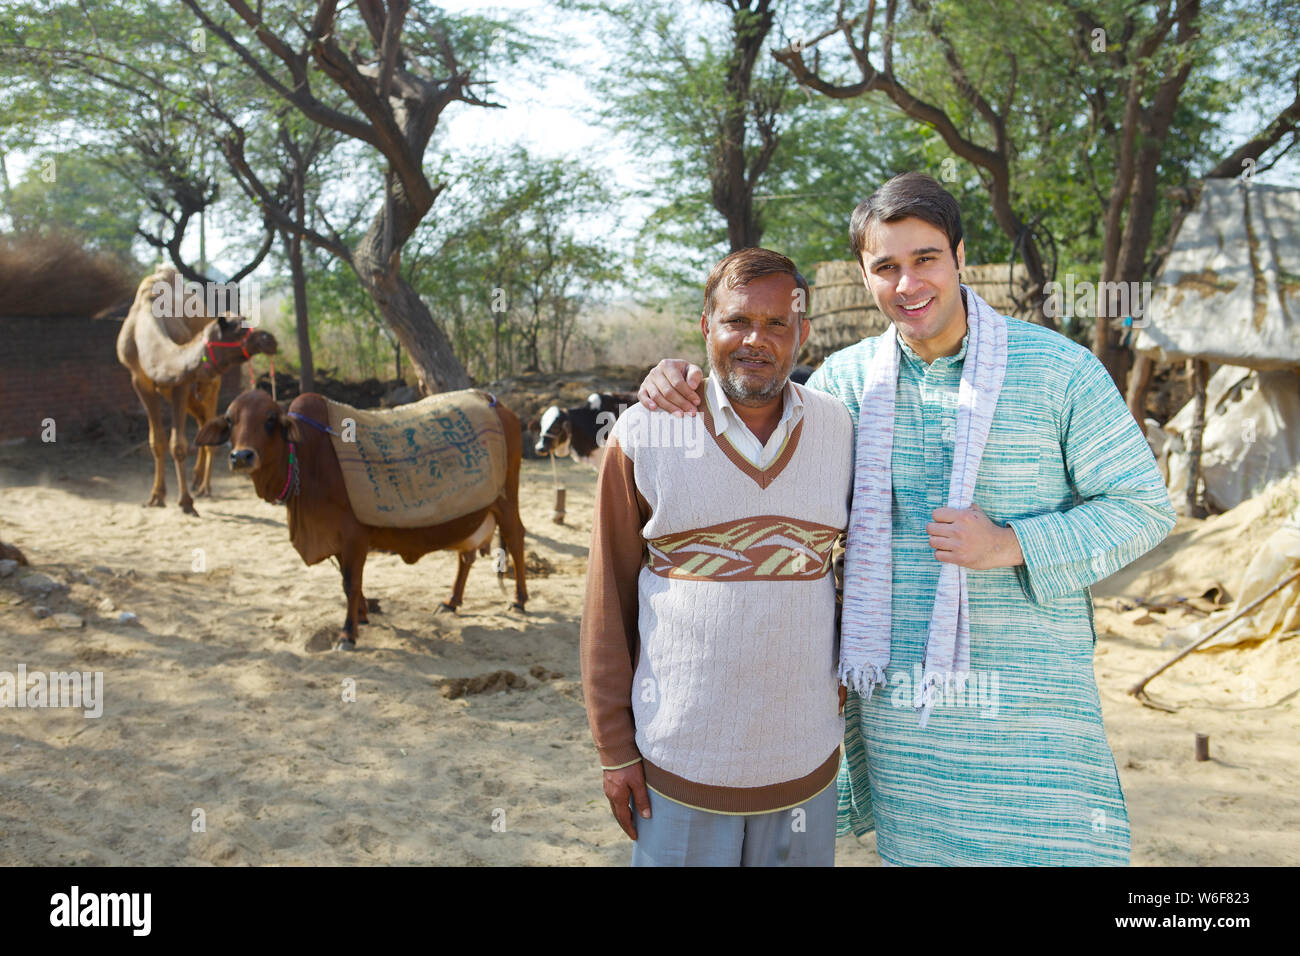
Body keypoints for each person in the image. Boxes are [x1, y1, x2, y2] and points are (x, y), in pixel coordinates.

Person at [638, 173, 1176, 865]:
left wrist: (1010, 544)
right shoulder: (843, 386)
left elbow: (1141, 508)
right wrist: (676, 379)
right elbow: (756, 433)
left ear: (958, 255)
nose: (908, 282)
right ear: (865, 275)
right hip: (900, 714)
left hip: (1033, 710)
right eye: (885, 266)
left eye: (924, 258)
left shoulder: (1058, 371)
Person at [581, 247, 853, 866]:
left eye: (777, 323)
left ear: (802, 334)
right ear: (707, 326)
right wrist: (615, 748)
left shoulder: (841, 430)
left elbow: (861, 572)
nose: (756, 339)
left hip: (805, 762)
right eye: (736, 321)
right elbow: (607, 604)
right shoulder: (646, 433)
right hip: (680, 764)